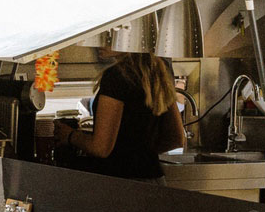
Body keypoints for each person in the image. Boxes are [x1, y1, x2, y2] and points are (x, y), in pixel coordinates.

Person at [66, 51, 186, 179]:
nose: (100, 43)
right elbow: (177, 138)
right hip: (153, 179)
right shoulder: (158, 73)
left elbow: (101, 148)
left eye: (111, 34)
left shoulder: (116, 76)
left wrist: (70, 135)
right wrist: (140, 153)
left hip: (121, 183)